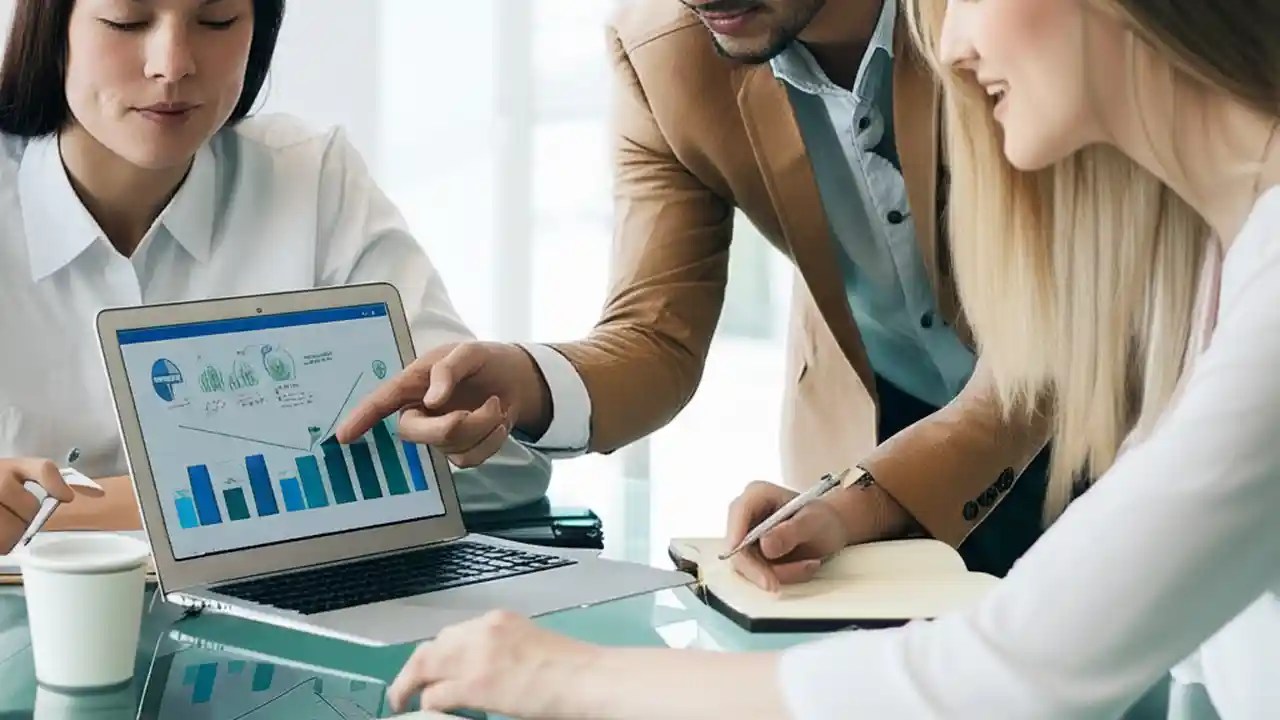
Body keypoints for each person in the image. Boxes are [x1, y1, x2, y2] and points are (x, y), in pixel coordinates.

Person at [383, 0, 1280, 717]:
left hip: (1072, 450)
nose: (953, 39)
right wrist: (527, 380)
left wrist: (564, 680)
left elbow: (1007, 675)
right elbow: (653, 329)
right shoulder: (1223, 259)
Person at [340, 0, 1053, 581]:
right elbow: (656, 335)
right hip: (862, 452)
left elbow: (1059, 337)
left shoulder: (1006, 21)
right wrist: (524, 383)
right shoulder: (665, 53)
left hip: (1094, 421)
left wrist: (865, 501)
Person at [0, 0, 552, 554]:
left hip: (275, 618)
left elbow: (495, 463)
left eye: (216, 22)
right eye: (126, 21)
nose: (172, 65)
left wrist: (62, 515)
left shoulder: (309, 180)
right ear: (52, 28)